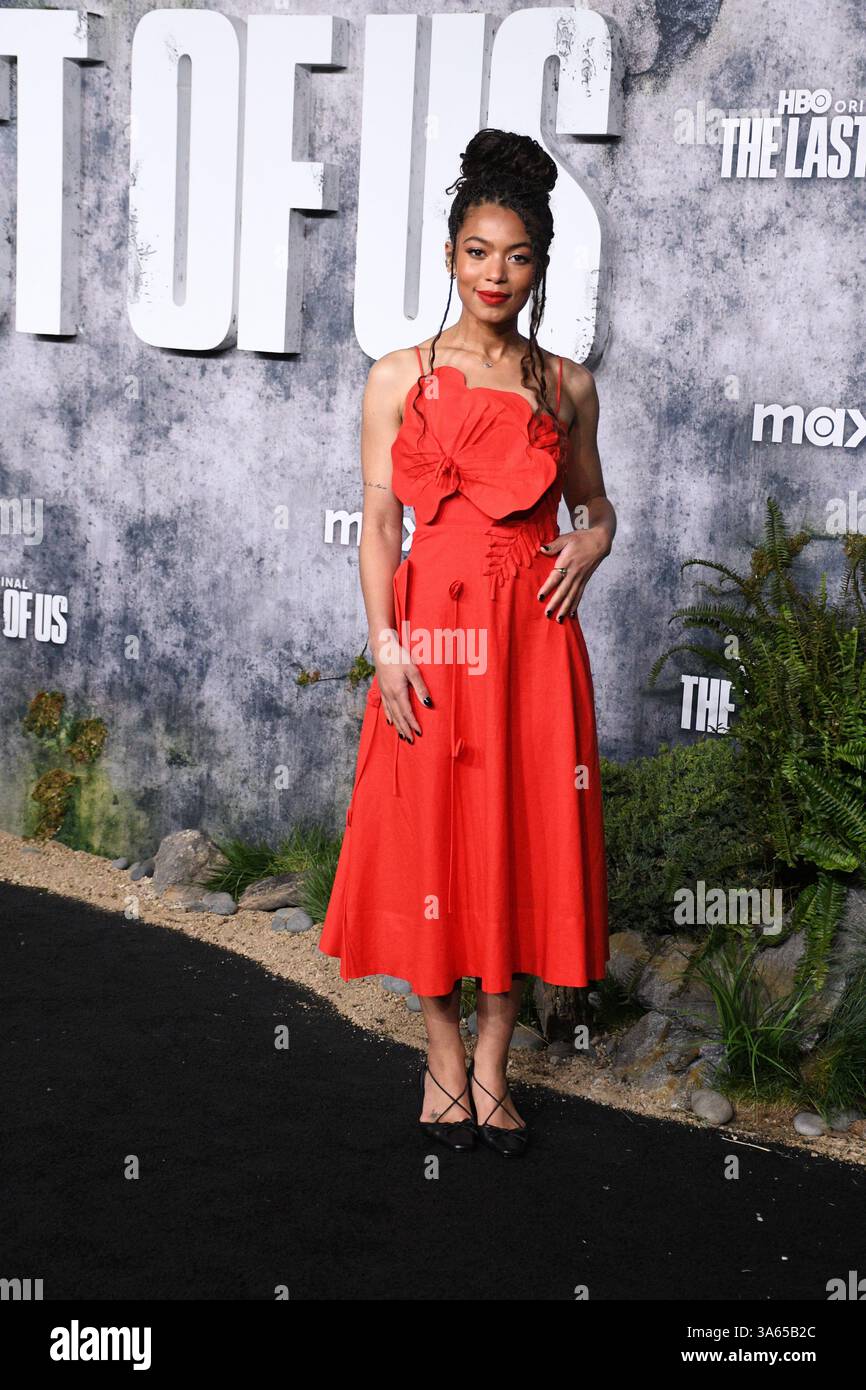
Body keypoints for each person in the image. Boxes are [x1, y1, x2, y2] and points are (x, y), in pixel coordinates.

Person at [319, 128, 615, 1158]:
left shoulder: (566, 385)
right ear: (449, 257)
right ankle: (440, 1060)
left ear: (539, 266)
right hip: (431, 645)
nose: (496, 273)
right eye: (477, 251)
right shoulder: (397, 376)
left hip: (532, 645)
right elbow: (379, 525)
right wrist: (384, 644)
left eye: (517, 255)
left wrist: (596, 538)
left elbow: (594, 505)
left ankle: (493, 1068)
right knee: (435, 840)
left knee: (519, 838)